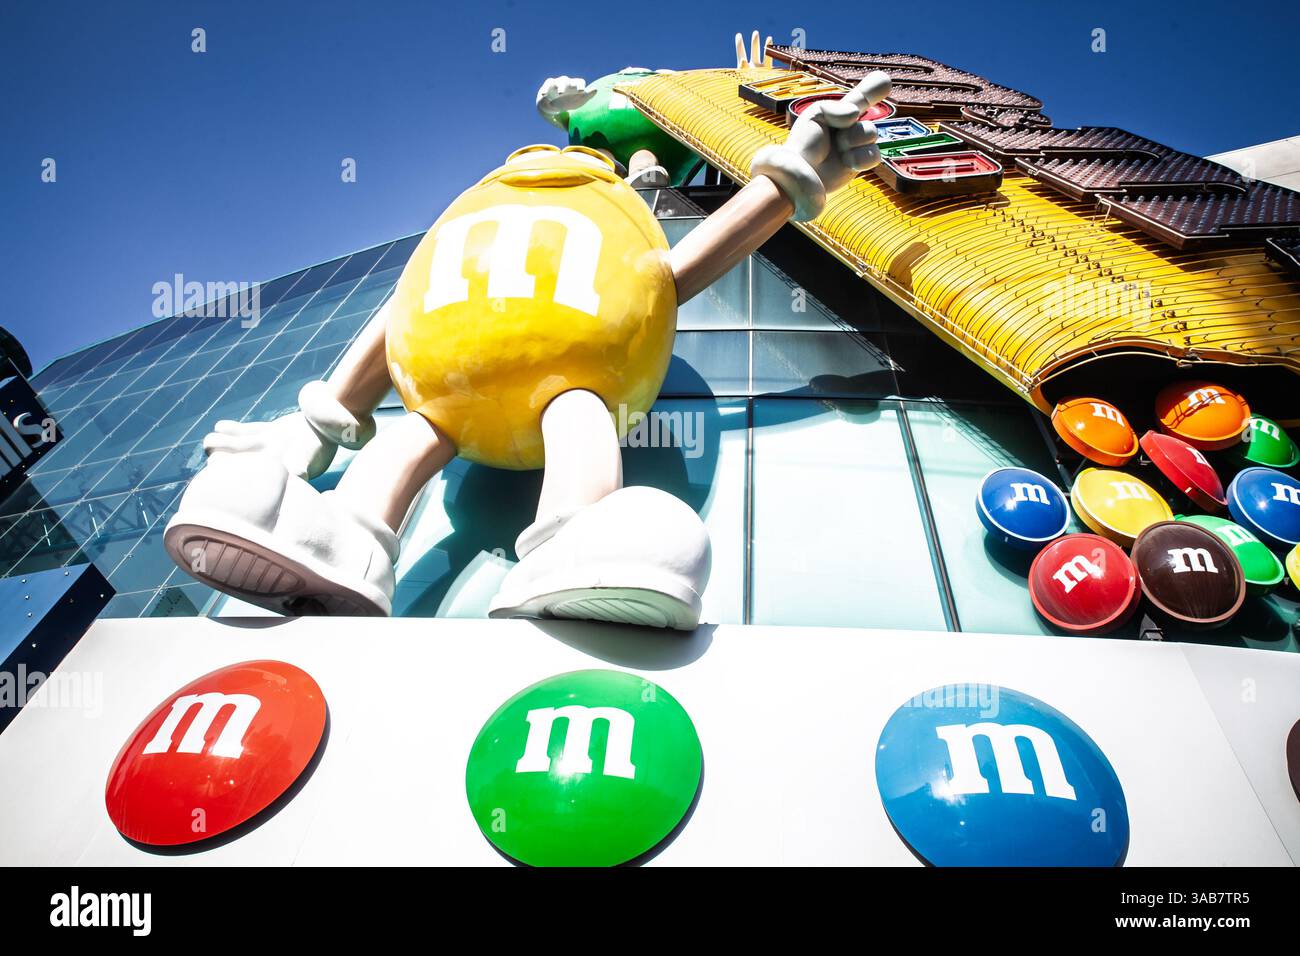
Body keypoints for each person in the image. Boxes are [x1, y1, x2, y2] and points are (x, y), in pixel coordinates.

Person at [163, 69, 892, 630]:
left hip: (567, 381)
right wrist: (311, 428)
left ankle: (576, 538)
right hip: (442, 395)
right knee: (414, 439)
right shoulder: (477, 221)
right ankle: (344, 539)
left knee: (576, 414)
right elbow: (403, 308)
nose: (544, 160)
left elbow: (675, 270)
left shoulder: (613, 219)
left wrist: (793, 175)